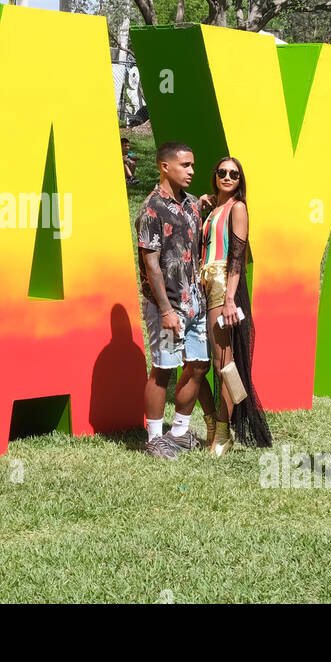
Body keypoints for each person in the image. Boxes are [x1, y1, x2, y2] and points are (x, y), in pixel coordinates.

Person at [135, 142, 209, 458]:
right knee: (164, 367)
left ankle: (178, 432)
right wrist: (165, 310)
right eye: (185, 165)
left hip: (196, 304)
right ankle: (154, 438)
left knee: (198, 365)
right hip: (168, 306)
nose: (192, 171)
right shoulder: (151, 209)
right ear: (165, 166)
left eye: (192, 165)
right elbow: (150, 264)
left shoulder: (192, 203)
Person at [197, 157, 272, 455]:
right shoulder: (215, 208)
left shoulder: (237, 208)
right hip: (204, 283)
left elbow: (237, 258)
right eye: (222, 173)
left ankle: (224, 433)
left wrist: (230, 299)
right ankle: (216, 426)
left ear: (240, 181)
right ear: (214, 176)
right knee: (210, 362)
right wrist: (205, 203)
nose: (227, 177)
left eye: (234, 174)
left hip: (220, 282)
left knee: (223, 362)